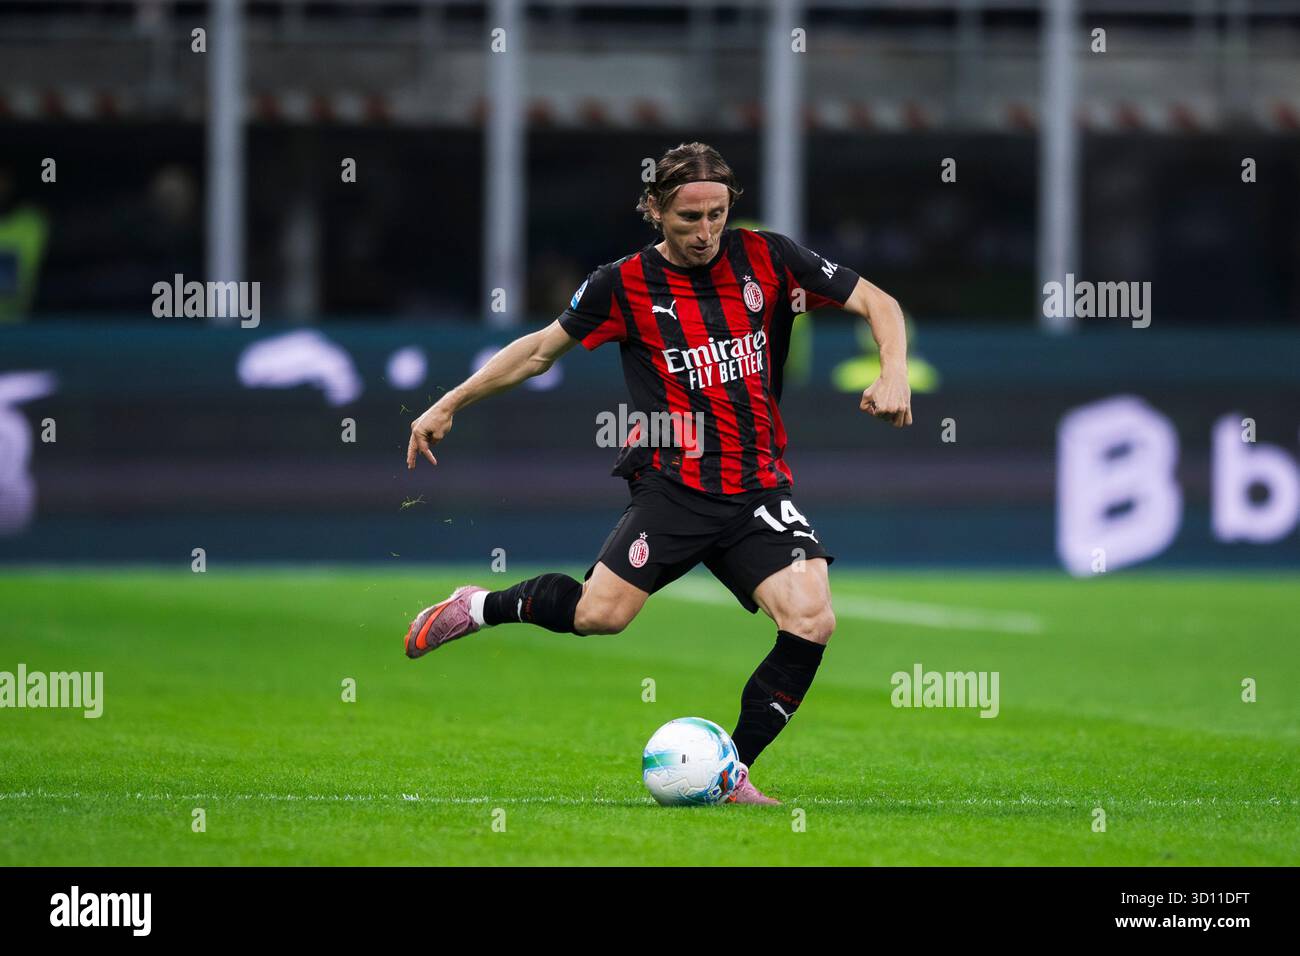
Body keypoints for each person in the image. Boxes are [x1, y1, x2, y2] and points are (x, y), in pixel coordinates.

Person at [403, 142, 911, 804]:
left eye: (717, 215)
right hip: (674, 485)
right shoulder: (621, 284)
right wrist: (448, 403)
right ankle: (477, 607)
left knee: (812, 616)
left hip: (757, 485)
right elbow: (536, 353)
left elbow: (879, 302)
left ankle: (733, 771)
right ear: (654, 210)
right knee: (600, 616)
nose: (704, 234)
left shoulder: (770, 258)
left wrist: (893, 370)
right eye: (688, 218)